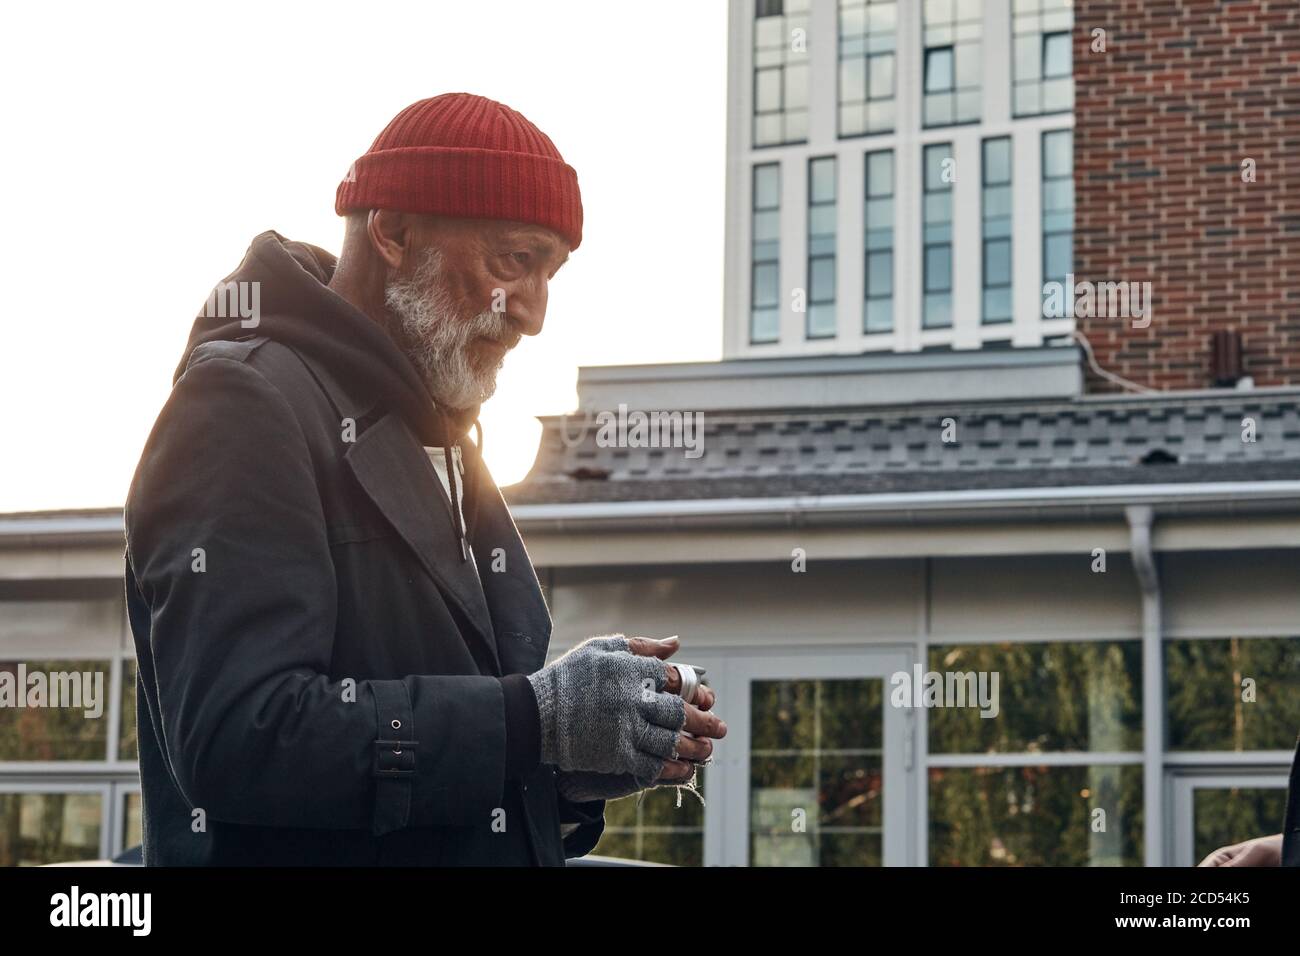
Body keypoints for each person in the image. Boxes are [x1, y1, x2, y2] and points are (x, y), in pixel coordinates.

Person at [124, 92, 727, 866]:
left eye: (552, 272)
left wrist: (572, 757)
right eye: (516, 260)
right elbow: (242, 738)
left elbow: (444, 770)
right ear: (396, 233)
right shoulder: (244, 403)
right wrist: (532, 719)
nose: (535, 313)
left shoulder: (438, 432)